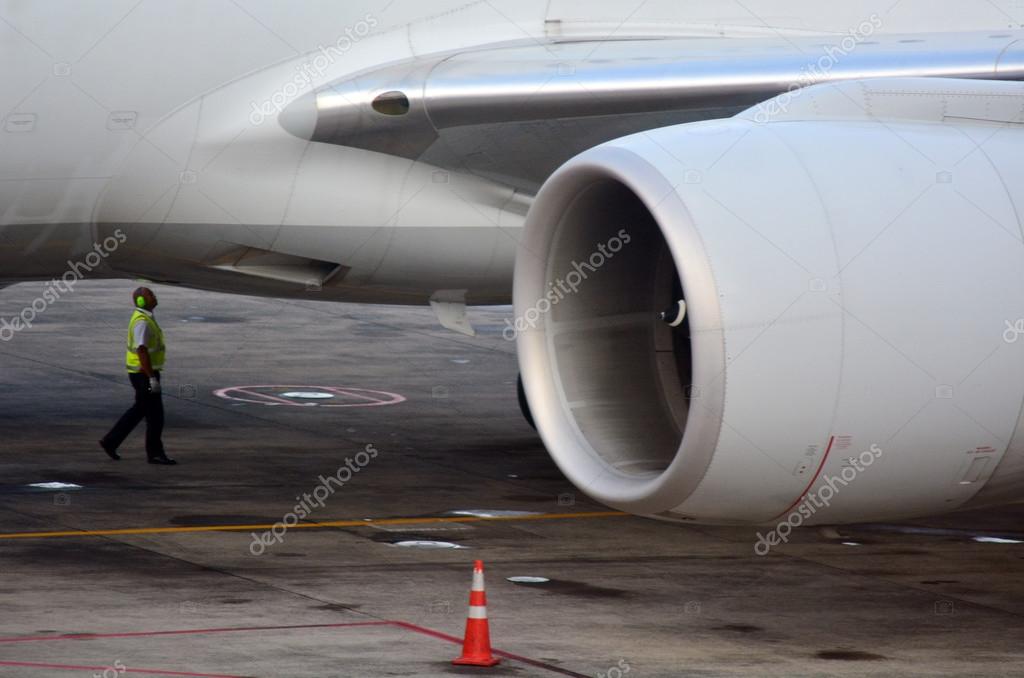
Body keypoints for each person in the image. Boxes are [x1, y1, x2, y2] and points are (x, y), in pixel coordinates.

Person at [99, 287, 177, 465]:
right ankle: (155, 453)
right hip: (144, 374)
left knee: (141, 410)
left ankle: (111, 441)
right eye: (151, 295)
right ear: (141, 301)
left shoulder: (146, 317)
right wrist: (151, 378)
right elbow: (141, 350)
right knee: (155, 415)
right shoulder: (142, 322)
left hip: (142, 373)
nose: (155, 297)